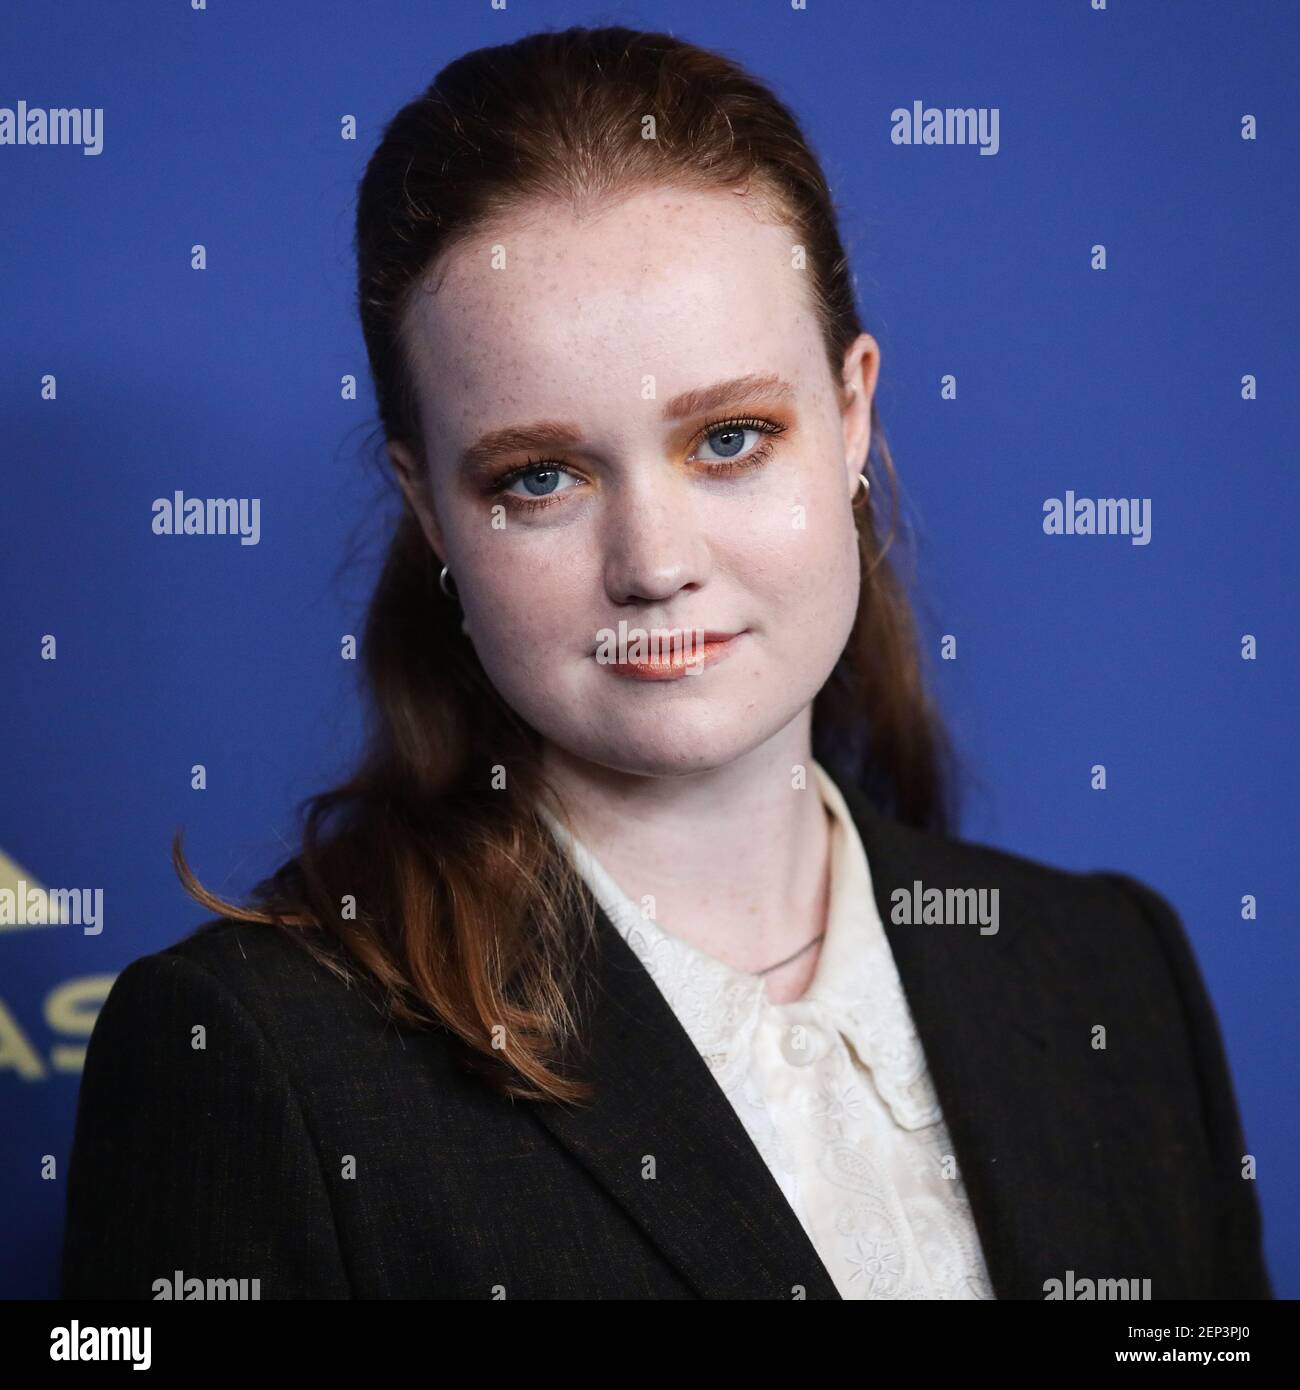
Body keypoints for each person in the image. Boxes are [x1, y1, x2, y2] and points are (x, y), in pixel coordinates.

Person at [61, 25, 1270, 1301]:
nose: (652, 561)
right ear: (429, 509)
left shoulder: (1111, 971)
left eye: (731, 437)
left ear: (852, 415)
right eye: (540, 475)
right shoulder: (254, 1057)